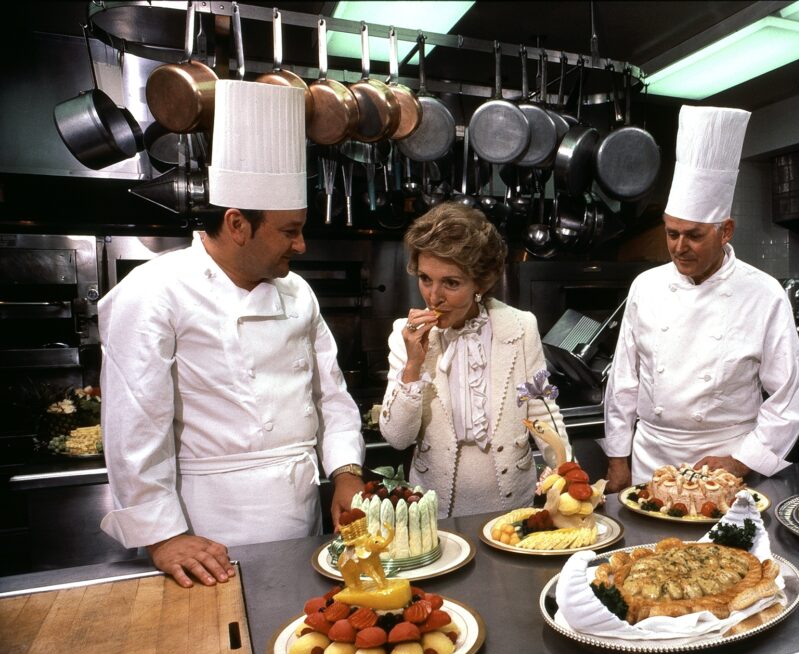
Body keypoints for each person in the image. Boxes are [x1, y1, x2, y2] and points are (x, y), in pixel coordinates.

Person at [99, 81, 365, 588]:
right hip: (208, 531)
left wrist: (346, 471)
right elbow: (135, 421)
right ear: (237, 223)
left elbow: (330, 393)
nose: (302, 245)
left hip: (304, 517)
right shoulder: (156, 291)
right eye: (289, 231)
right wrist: (162, 535)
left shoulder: (298, 293)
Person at [603, 106, 799, 491]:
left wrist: (741, 461)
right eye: (671, 233)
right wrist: (618, 458)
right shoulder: (645, 287)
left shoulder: (763, 293)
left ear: (725, 230)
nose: (679, 247)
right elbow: (624, 382)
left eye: (694, 235)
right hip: (652, 458)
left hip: (724, 461)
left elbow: (789, 394)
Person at [378, 202, 570, 518]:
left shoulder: (521, 327)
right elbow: (398, 439)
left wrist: (568, 470)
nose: (433, 296)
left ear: (479, 283)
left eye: (451, 283)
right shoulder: (405, 333)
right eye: (426, 278)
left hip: (512, 504)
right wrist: (413, 365)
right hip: (435, 509)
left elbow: (541, 410)